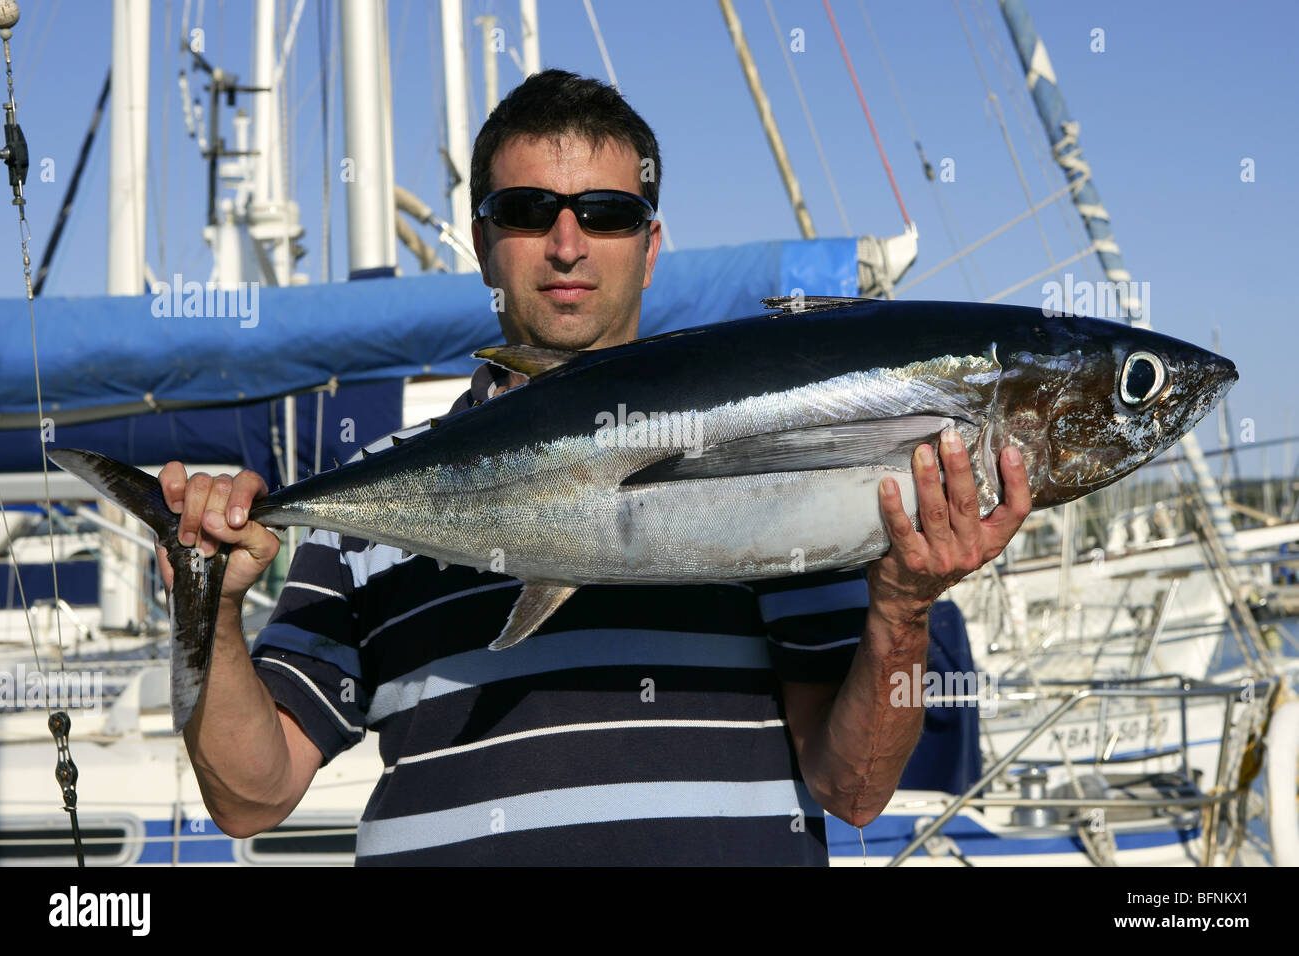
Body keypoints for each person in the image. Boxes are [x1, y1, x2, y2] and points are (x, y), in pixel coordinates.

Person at [156, 70, 1030, 865]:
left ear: (650, 247)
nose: (567, 243)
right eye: (529, 210)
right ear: (481, 241)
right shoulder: (368, 497)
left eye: (606, 213)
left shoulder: (776, 465)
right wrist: (212, 610)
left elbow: (856, 790)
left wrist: (905, 610)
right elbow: (248, 799)